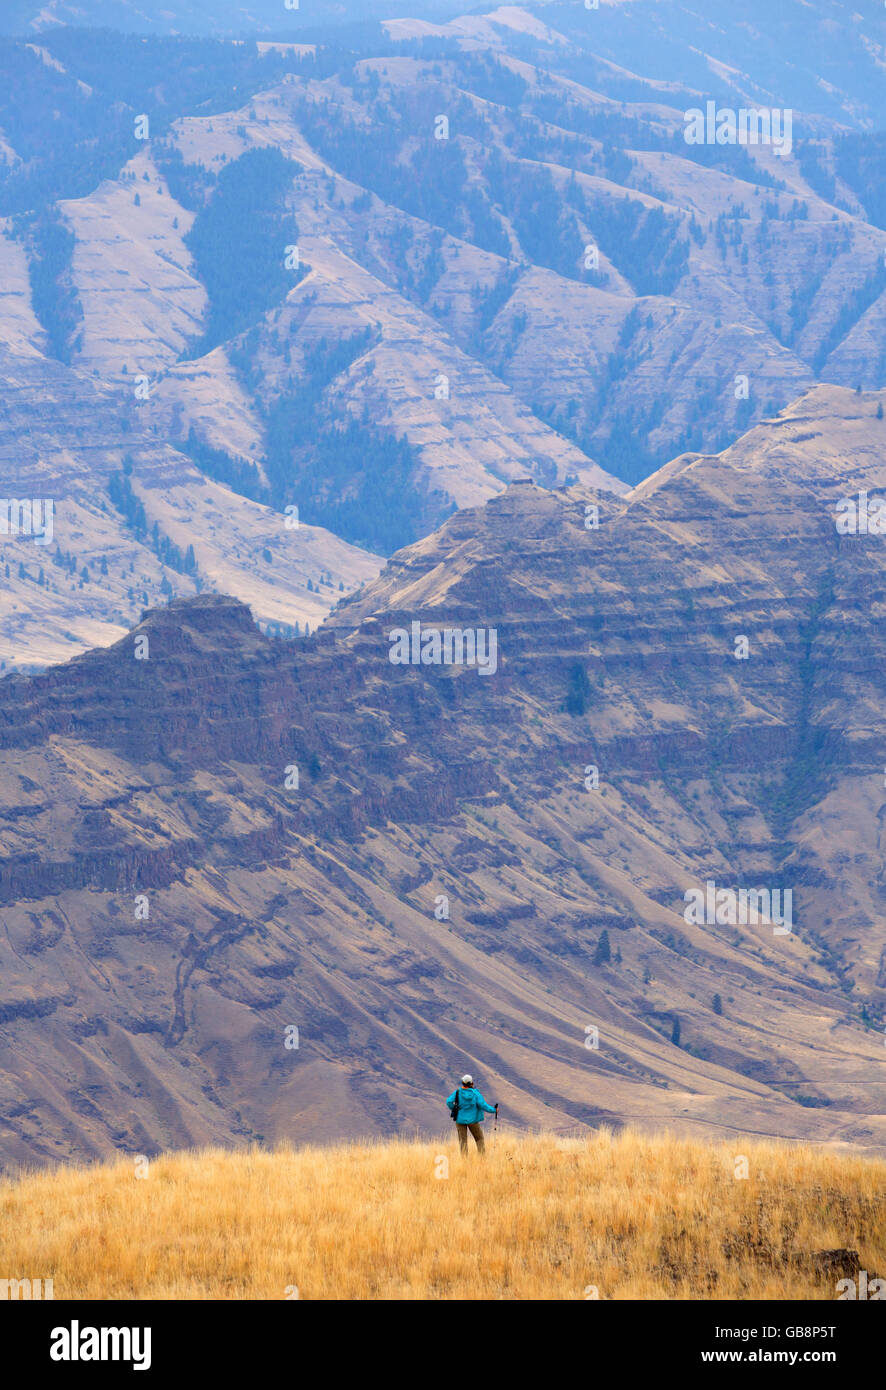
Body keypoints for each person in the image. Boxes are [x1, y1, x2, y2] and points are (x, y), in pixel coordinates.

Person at [446, 1073, 497, 1155]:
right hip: (473, 1120)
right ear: (471, 1083)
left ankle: (465, 1161)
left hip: (460, 1120)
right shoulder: (475, 1093)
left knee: (463, 1141)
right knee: (479, 1139)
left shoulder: (457, 1092)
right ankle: (482, 1159)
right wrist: (494, 1110)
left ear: (462, 1082)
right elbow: (483, 1105)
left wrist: (454, 1108)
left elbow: (448, 1101)